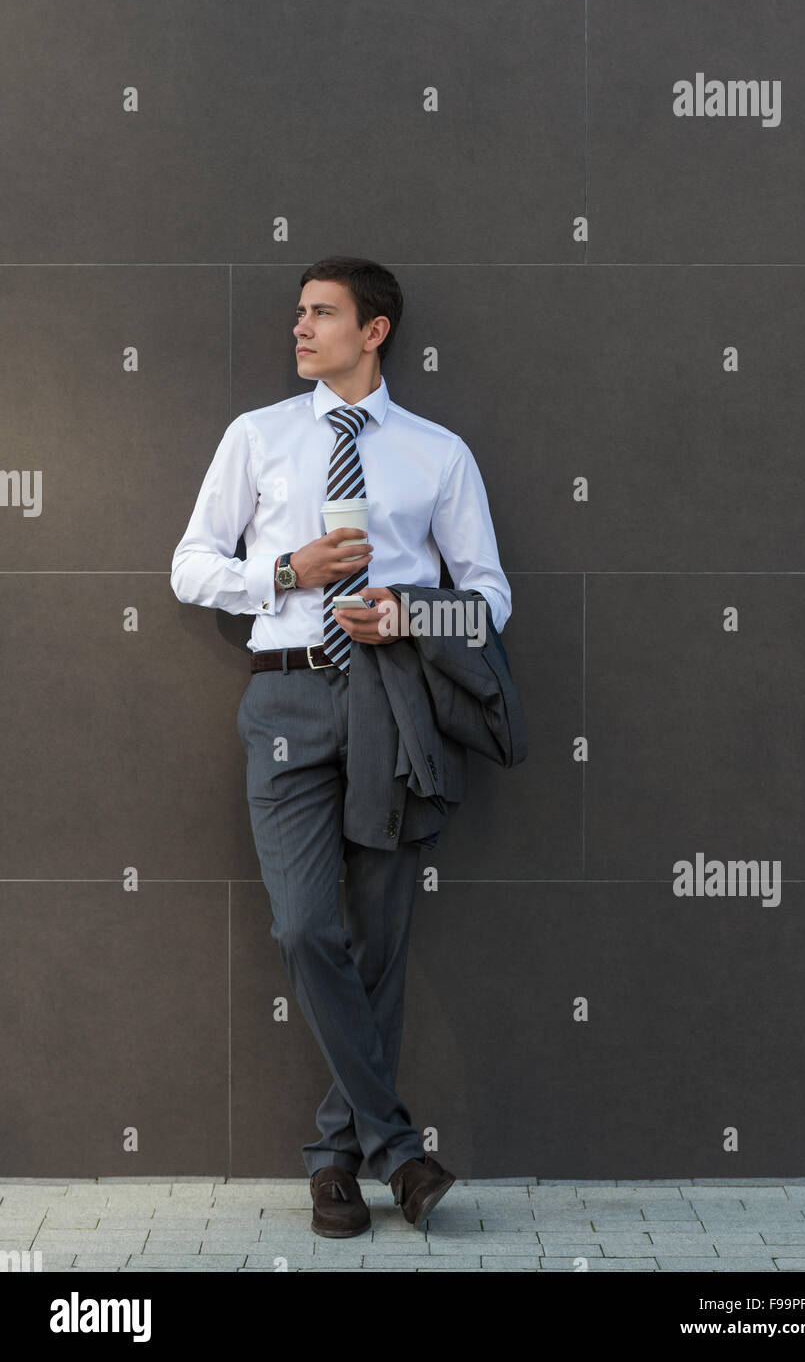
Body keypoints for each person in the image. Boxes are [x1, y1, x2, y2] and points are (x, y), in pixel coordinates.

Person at [170, 255, 512, 1238]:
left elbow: (488, 594)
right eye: (297, 314)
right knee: (306, 927)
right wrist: (286, 569)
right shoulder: (258, 437)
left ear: (375, 332)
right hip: (285, 703)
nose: (299, 328)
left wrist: (406, 612)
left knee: (382, 940)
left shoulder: (437, 453)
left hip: (391, 702)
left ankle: (333, 1164)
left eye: (321, 314)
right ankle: (399, 1151)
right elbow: (190, 565)